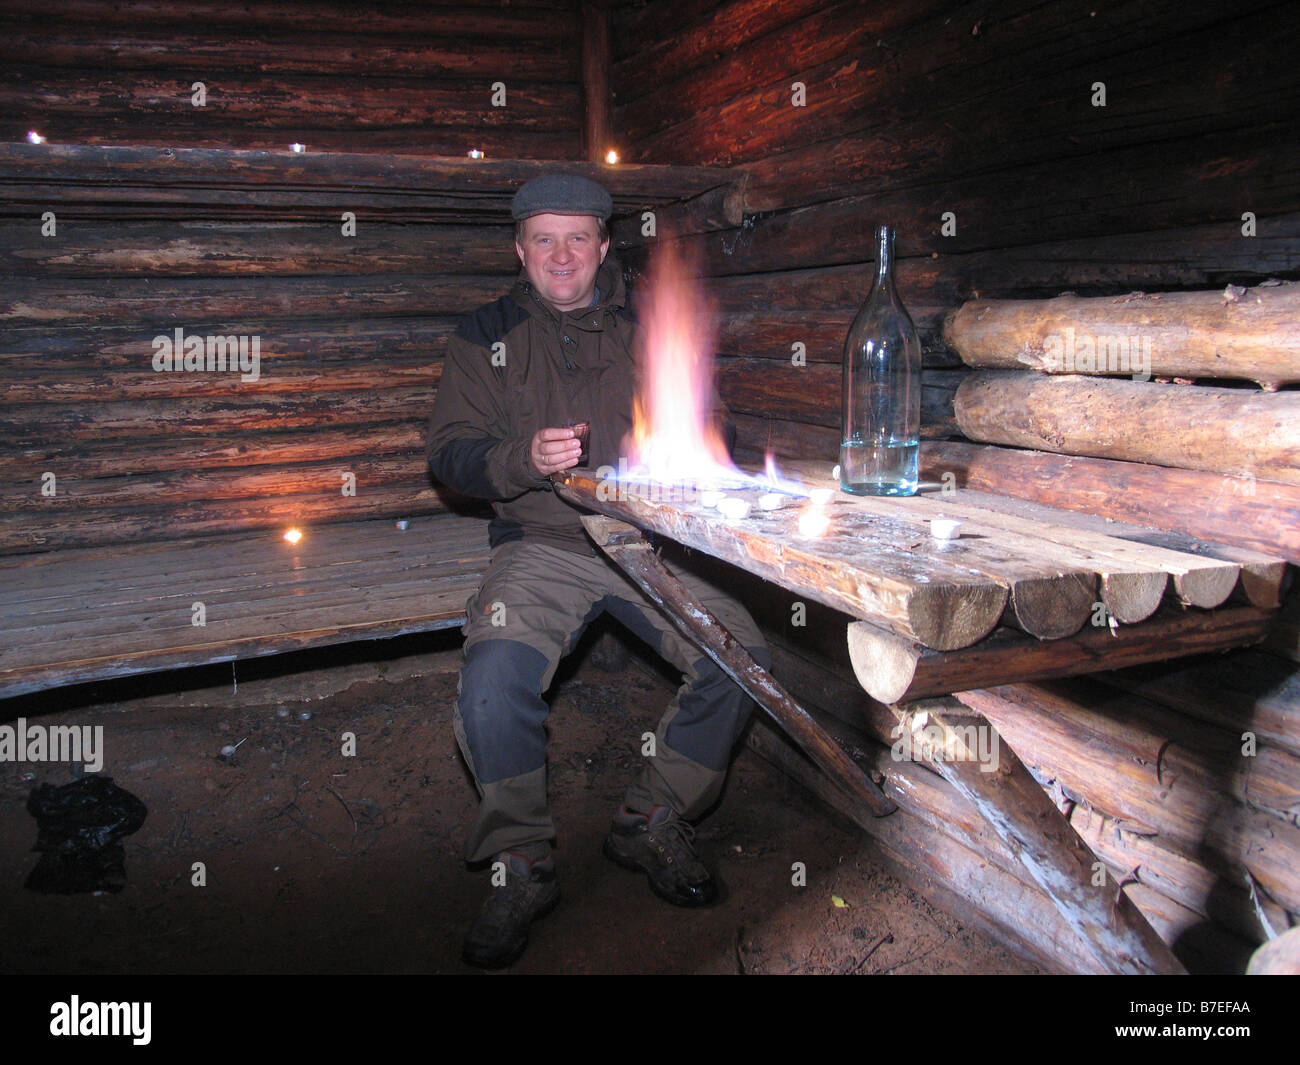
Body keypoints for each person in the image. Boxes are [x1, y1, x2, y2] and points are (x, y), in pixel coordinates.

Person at [426, 174, 770, 970]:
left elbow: (709, 423)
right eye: (543, 239)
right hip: (542, 543)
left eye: (577, 237)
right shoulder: (486, 334)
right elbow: (449, 452)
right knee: (493, 681)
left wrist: (694, 459)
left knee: (740, 654)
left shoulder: (654, 321)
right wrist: (522, 457)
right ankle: (521, 860)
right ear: (520, 249)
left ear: (604, 245)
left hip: (649, 544)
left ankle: (652, 815)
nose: (561, 254)